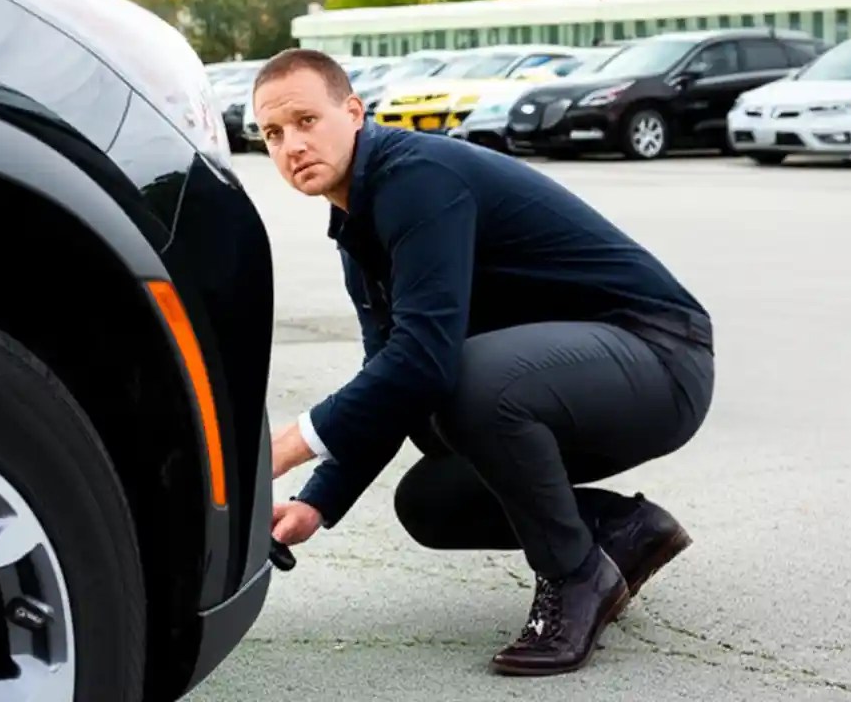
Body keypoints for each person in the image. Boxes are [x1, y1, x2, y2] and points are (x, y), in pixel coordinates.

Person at [254, 48, 715, 677]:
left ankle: (575, 576)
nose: (292, 146)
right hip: (585, 376)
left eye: (307, 121)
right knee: (431, 501)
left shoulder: (414, 177)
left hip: (659, 354)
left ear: (354, 112)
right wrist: (316, 501)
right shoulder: (358, 223)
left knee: (463, 380)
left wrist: (283, 447)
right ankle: (622, 529)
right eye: (273, 134)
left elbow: (422, 361)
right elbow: (387, 378)